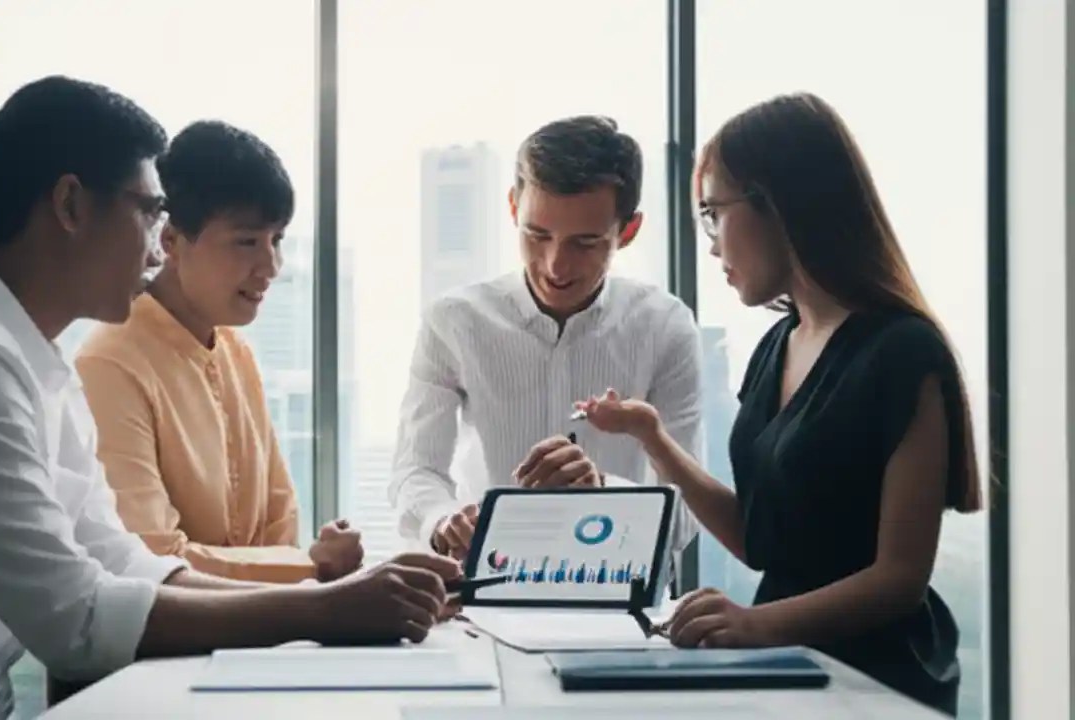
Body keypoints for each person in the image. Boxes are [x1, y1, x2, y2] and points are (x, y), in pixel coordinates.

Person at [0, 76, 456, 718]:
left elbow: (124, 563)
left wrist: (341, 593)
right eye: (150, 211)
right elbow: (75, 619)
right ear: (71, 205)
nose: (154, 248)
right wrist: (326, 607)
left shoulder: (30, 362)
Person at [575, 92, 981, 716]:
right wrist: (652, 438)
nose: (710, 246)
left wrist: (757, 624)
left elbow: (899, 578)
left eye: (713, 213)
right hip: (788, 670)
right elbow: (762, 542)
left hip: (874, 680)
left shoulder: (903, 352)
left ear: (777, 204)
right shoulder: (776, 347)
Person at [390, 116, 700, 576]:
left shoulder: (666, 326)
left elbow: (687, 512)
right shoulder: (453, 321)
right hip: (487, 594)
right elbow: (415, 472)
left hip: (622, 603)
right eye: (537, 235)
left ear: (628, 231)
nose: (556, 265)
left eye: (586, 243)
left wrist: (602, 491)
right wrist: (442, 521)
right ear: (514, 207)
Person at [75, 121, 361, 584]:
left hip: (258, 634)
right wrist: (310, 567)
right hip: (164, 645)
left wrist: (303, 566)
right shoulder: (110, 362)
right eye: (246, 241)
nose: (270, 266)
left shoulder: (235, 351)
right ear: (170, 240)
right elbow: (153, 556)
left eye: (277, 240)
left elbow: (278, 524)